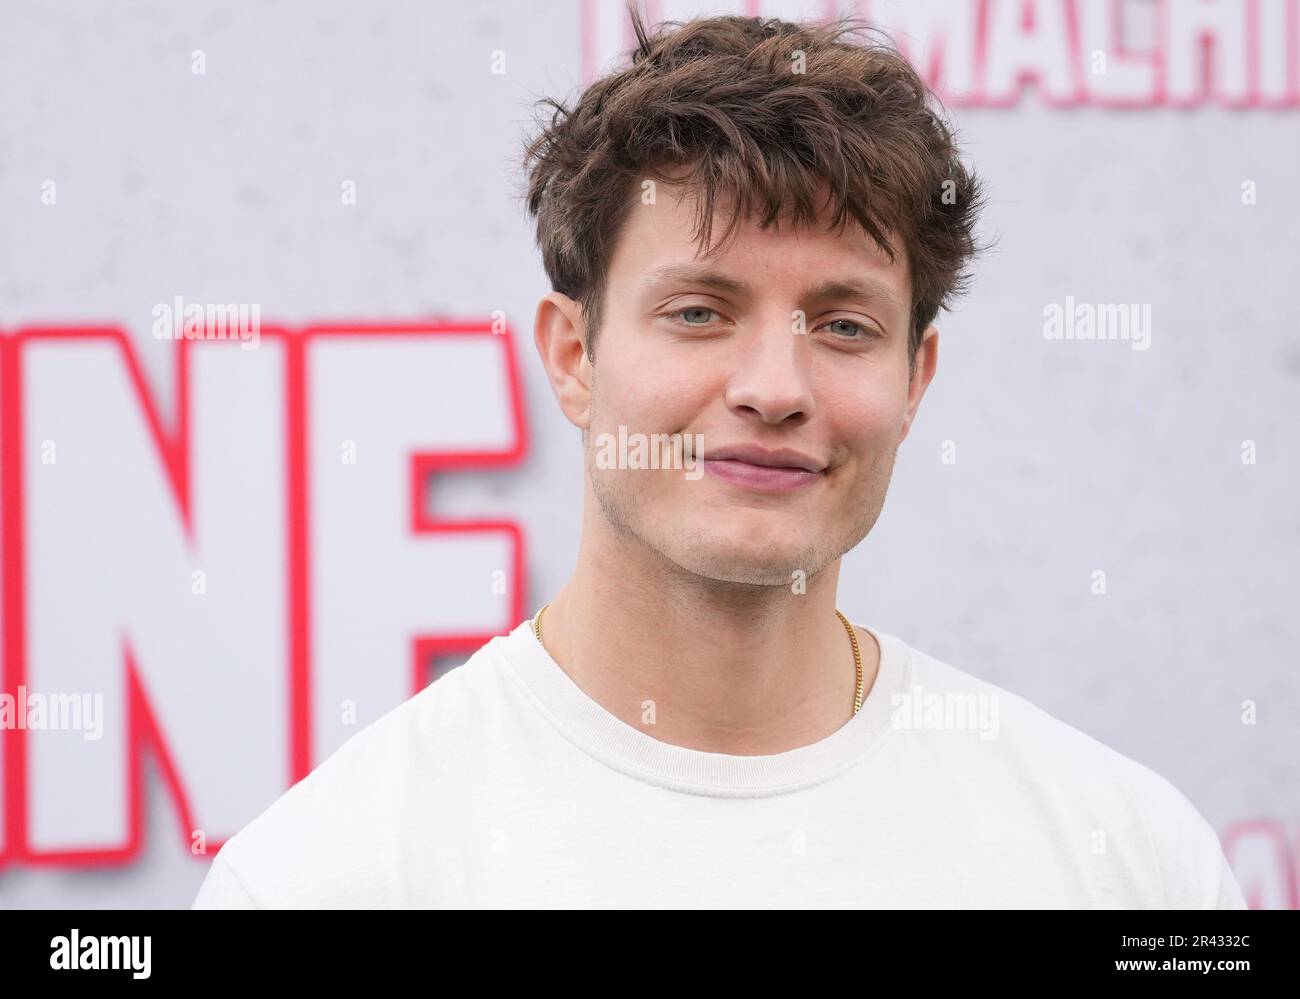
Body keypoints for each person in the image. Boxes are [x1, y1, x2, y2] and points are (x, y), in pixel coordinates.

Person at [193, 6, 1246, 909]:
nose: (774, 389)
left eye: (842, 326)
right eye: (698, 312)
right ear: (573, 356)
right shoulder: (324, 880)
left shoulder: (1131, 862)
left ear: (915, 380)